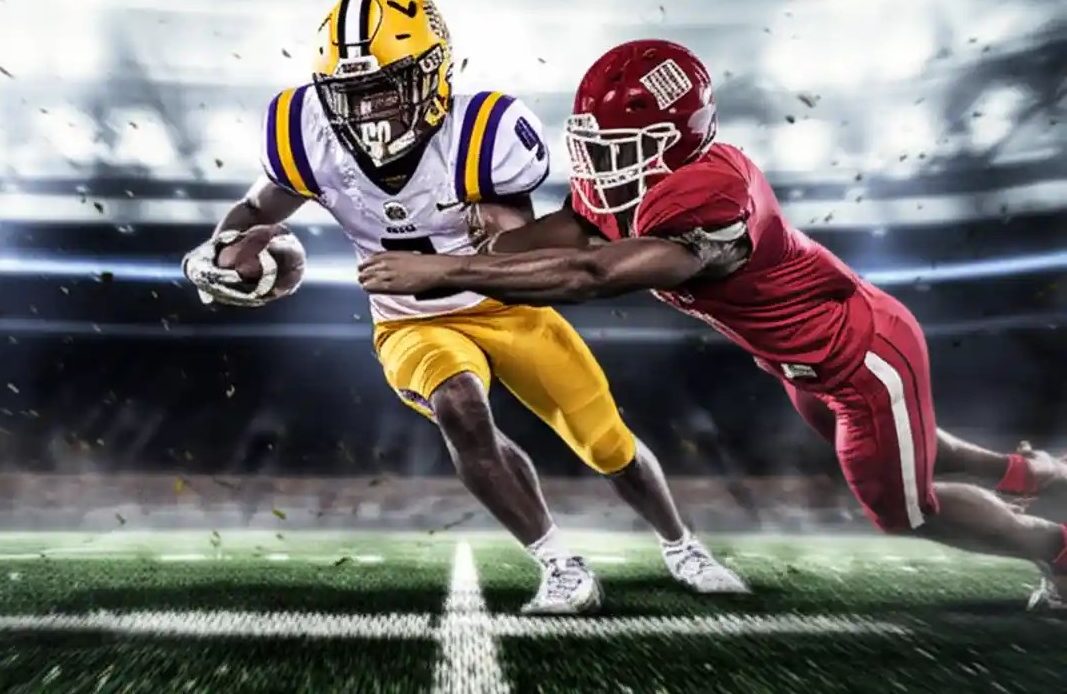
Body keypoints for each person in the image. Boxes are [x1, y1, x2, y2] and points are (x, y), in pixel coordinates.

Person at [358, 38, 1067, 611]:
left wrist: (449, 273)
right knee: (906, 446)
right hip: (802, 364)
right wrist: (470, 245)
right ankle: (1024, 470)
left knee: (902, 508)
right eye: (594, 144)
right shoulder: (632, 182)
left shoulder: (715, 197)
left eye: (619, 147)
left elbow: (593, 275)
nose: (599, 164)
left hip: (863, 356)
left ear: (678, 141)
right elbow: (574, 231)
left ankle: (1056, 549)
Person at [182, 0, 748, 615]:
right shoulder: (306, 131)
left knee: (605, 441)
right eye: (351, 93)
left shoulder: (482, 132)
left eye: (385, 87)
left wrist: (455, 261)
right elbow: (259, 209)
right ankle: (560, 563)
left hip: (507, 306)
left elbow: (515, 257)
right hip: (410, 324)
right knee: (459, 405)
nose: (368, 109)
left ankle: (681, 544)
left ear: (433, 73)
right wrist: (225, 248)